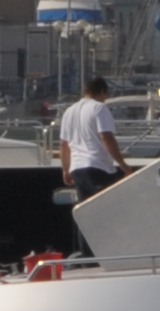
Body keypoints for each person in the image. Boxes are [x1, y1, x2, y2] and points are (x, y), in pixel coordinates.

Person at [55, 73, 129, 225]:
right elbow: (106, 137)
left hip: (77, 170)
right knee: (110, 212)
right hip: (97, 167)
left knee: (86, 216)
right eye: (105, 95)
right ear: (102, 92)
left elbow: (64, 145)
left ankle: (86, 249)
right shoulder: (99, 108)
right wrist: (122, 163)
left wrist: (65, 170)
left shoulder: (69, 111)